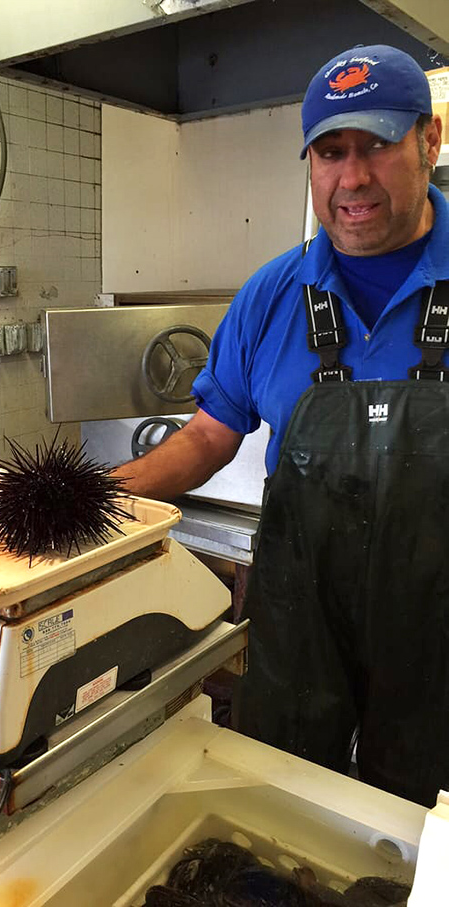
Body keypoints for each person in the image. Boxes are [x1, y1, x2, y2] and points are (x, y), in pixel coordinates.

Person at [113, 43, 448, 807]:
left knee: (427, 826)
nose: (352, 178)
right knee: (281, 803)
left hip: (441, 628)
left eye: (376, 145)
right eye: (331, 152)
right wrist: (101, 497)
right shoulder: (271, 295)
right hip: (302, 620)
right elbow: (208, 436)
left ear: (428, 141)